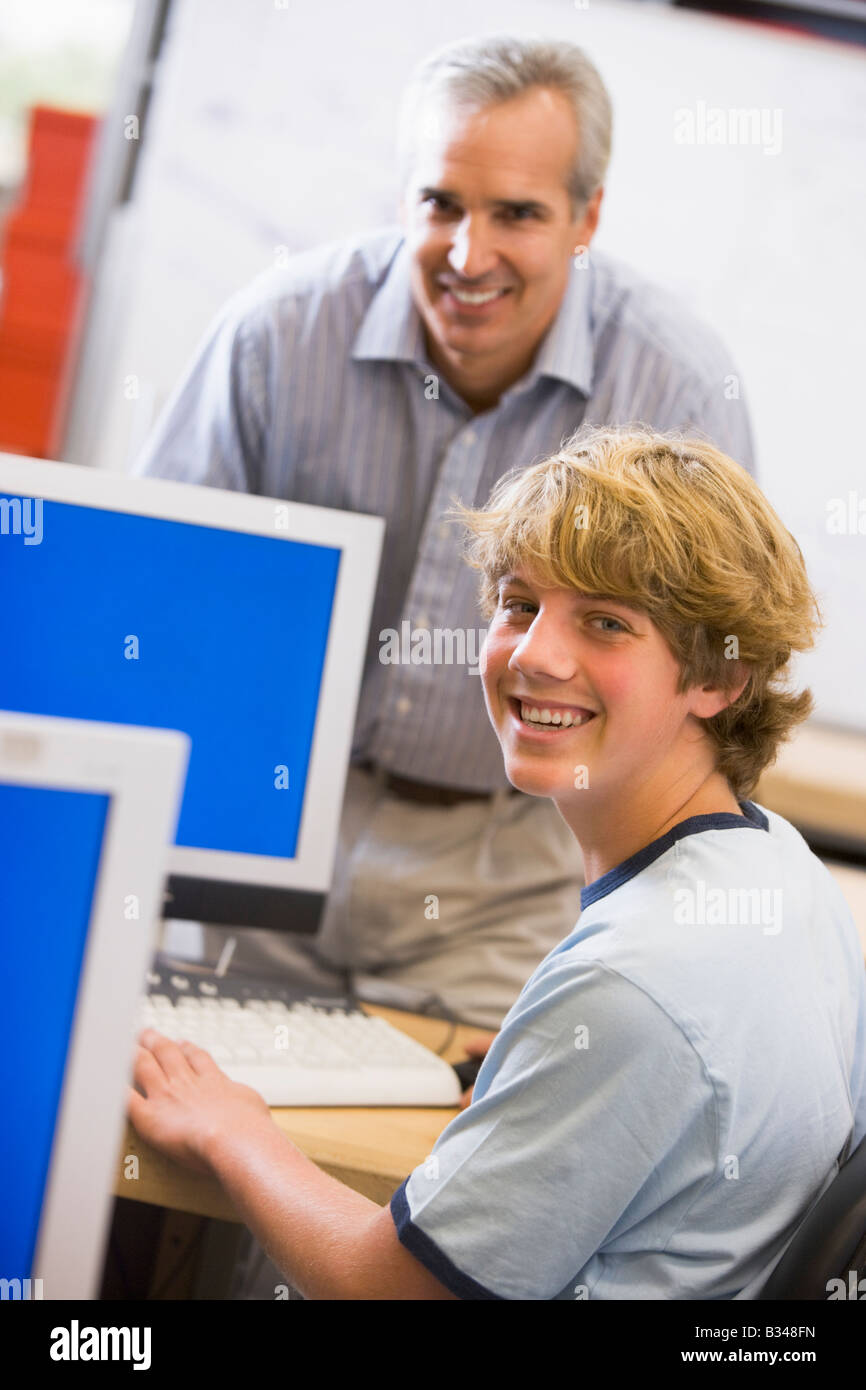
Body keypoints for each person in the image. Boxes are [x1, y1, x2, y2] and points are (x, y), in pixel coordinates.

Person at [129, 426, 866, 1300]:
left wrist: (234, 1129)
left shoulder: (635, 983)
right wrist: (547, 1065)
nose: (533, 655)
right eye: (520, 605)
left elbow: (390, 1291)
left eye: (605, 622)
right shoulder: (778, 868)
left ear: (720, 680)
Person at [134, 34, 755, 1031]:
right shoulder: (276, 333)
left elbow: (709, 678)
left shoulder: (673, 387)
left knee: (443, 1167)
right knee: (180, 1136)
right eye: (440, 204)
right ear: (403, 198)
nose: (468, 255)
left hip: (508, 864)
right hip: (260, 816)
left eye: (516, 213)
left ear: (586, 215)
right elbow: (153, 599)